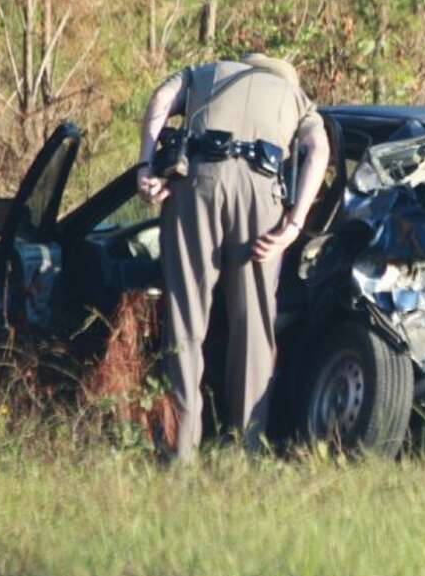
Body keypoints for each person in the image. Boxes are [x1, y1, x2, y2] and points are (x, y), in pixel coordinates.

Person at [136, 53, 330, 462]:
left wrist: (146, 164)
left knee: (186, 322)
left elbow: (160, 100)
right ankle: (245, 449)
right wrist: (293, 227)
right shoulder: (295, 97)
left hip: (197, 183)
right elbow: (320, 150)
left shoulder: (205, 74)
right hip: (261, 194)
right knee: (255, 328)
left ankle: (178, 450)